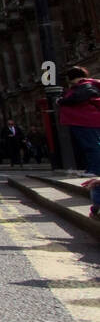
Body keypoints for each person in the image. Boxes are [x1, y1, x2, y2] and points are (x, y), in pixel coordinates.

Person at [60, 66, 100, 218]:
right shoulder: (83, 86)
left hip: (87, 122)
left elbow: (79, 98)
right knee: (90, 148)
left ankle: (95, 169)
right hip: (83, 122)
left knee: (92, 148)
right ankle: (93, 170)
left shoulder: (85, 85)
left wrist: (62, 100)